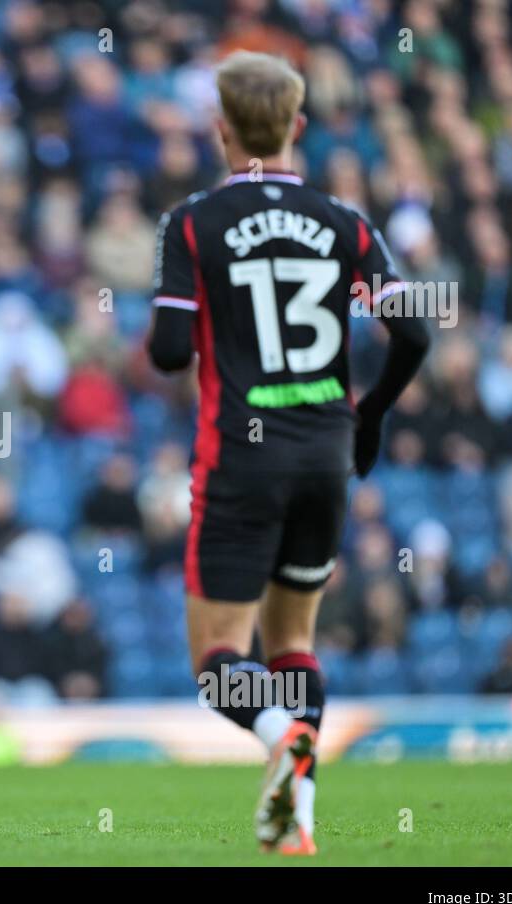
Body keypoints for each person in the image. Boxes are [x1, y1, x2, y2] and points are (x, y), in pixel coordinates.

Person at [146, 52, 429, 855]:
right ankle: (296, 822)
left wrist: (191, 323)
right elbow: (414, 330)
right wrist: (369, 415)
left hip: (240, 457)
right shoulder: (348, 221)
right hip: (327, 456)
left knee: (220, 663)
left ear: (220, 129)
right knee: (295, 640)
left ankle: (279, 733)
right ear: (299, 127)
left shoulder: (196, 222)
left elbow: (169, 351)